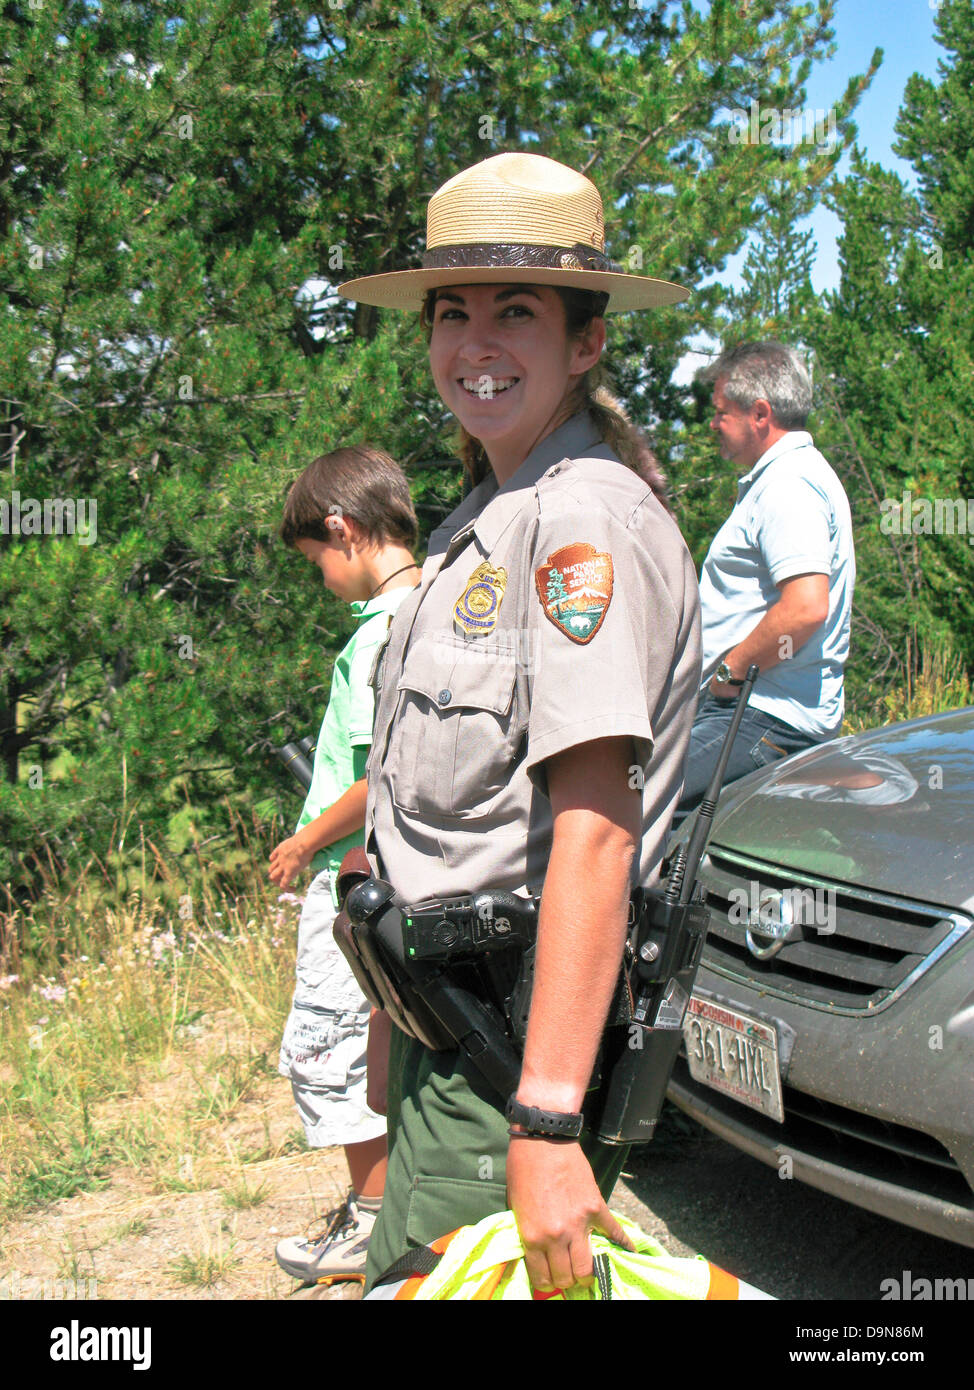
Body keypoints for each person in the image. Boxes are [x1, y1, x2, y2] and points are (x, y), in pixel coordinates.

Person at [336, 152, 701, 1294]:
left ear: (585, 341)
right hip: (443, 1036)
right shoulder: (489, 511)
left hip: (504, 1061)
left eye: (516, 311)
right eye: (451, 311)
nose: (473, 344)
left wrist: (543, 1126)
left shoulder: (577, 527)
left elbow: (594, 825)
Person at [270, 446, 421, 1282]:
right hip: (404, 876)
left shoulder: (377, 642)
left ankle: (367, 1220)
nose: (320, 577)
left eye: (316, 559)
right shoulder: (437, 605)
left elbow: (375, 776)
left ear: (345, 529)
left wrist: (301, 842)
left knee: (326, 1044)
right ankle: (392, 1202)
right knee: (381, 1039)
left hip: (351, 873)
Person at [673, 340, 855, 826]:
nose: (714, 424)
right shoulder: (785, 479)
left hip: (765, 715)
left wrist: (728, 674)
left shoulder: (789, 485)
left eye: (721, 412)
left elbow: (806, 607)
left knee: (638, 803)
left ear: (760, 413)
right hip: (757, 712)